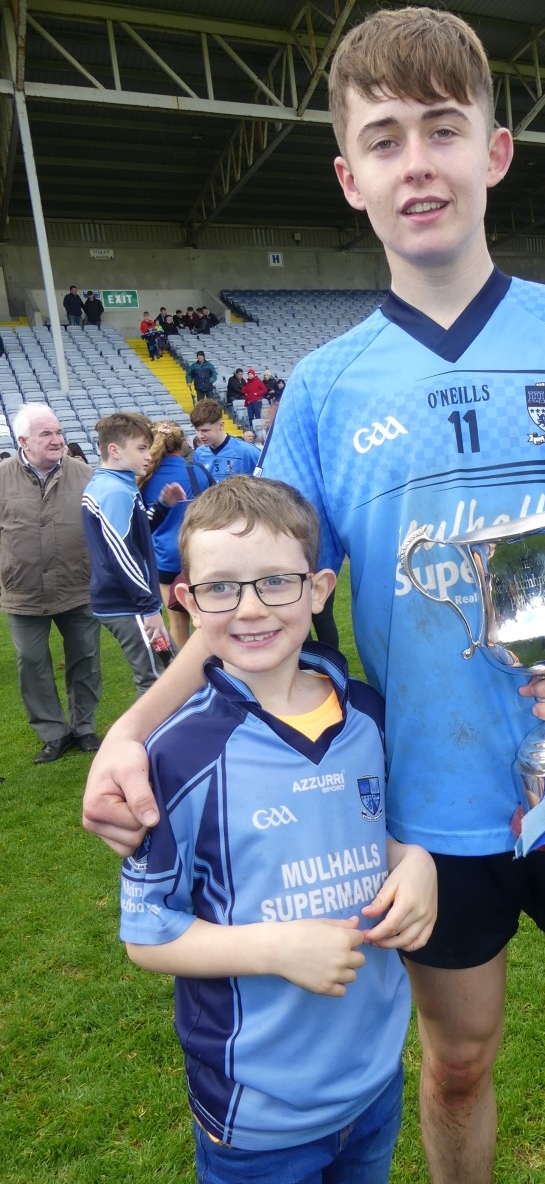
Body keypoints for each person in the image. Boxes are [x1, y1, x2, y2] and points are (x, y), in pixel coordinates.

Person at [83, 8, 545, 1184]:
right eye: (385, 138)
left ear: (493, 152)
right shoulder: (321, 385)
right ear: (349, 177)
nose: (418, 161)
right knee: (458, 1054)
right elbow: (255, 594)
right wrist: (133, 726)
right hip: (418, 800)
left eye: (442, 130)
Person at [120, 475, 436, 1182]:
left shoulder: (366, 715)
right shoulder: (178, 755)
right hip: (258, 1116)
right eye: (222, 588)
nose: (252, 607)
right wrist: (275, 948)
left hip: (373, 1081)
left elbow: (363, 828)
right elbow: (148, 932)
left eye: (275, 582)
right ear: (187, 600)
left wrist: (414, 861)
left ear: (320, 588)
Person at [1, 403, 101, 762]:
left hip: (77, 586)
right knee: (32, 662)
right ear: (23, 441)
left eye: (59, 432)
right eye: (47, 434)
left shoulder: (85, 474)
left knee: (86, 658)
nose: (57, 439)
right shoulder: (2, 477)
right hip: (22, 591)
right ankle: (53, 733)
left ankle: (85, 727)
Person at [81, 413, 171, 696]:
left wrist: (163, 505)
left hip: (128, 601)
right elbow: (121, 555)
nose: (149, 456)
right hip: (128, 604)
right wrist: (148, 607)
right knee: (155, 678)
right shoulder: (114, 492)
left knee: (169, 665)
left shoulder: (115, 484)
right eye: (142, 448)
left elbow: (138, 528)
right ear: (115, 450)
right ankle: (153, 738)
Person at [138, 420, 212, 650]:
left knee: (178, 625)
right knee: (210, 618)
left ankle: (189, 680)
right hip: (200, 555)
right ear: (182, 445)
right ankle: (218, 671)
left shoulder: (144, 478)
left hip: (165, 561)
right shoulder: (198, 472)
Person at [190, 398, 261, 480]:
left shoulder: (248, 452)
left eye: (205, 430)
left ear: (221, 426)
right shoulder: (199, 453)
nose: (200, 436)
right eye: (197, 430)